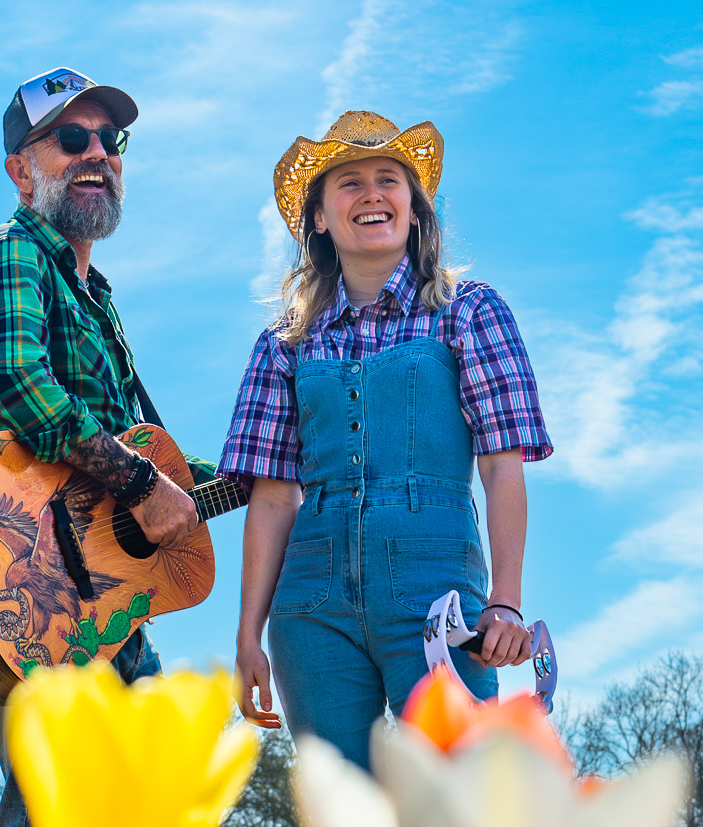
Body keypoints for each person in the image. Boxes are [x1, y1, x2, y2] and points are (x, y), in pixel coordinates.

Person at [219, 111, 552, 770]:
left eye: (388, 179)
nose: (372, 193)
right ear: (319, 216)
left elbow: (502, 466)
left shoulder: (469, 311)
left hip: (438, 593)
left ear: (414, 206)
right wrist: (248, 634)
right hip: (310, 602)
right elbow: (274, 498)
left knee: (464, 792)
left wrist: (506, 601)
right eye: (349, 183)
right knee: (341, 811)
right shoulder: (283, 343)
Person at [0, 65, 212, 827]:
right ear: (21, 171)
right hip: (42, 596)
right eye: (69, 138)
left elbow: (136, 443)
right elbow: (13, 380)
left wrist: (254, 470)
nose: (97, 152)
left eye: (110, 139)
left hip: (111, 609)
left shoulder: (100, 299)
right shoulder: (10, 257)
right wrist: (139, 482)